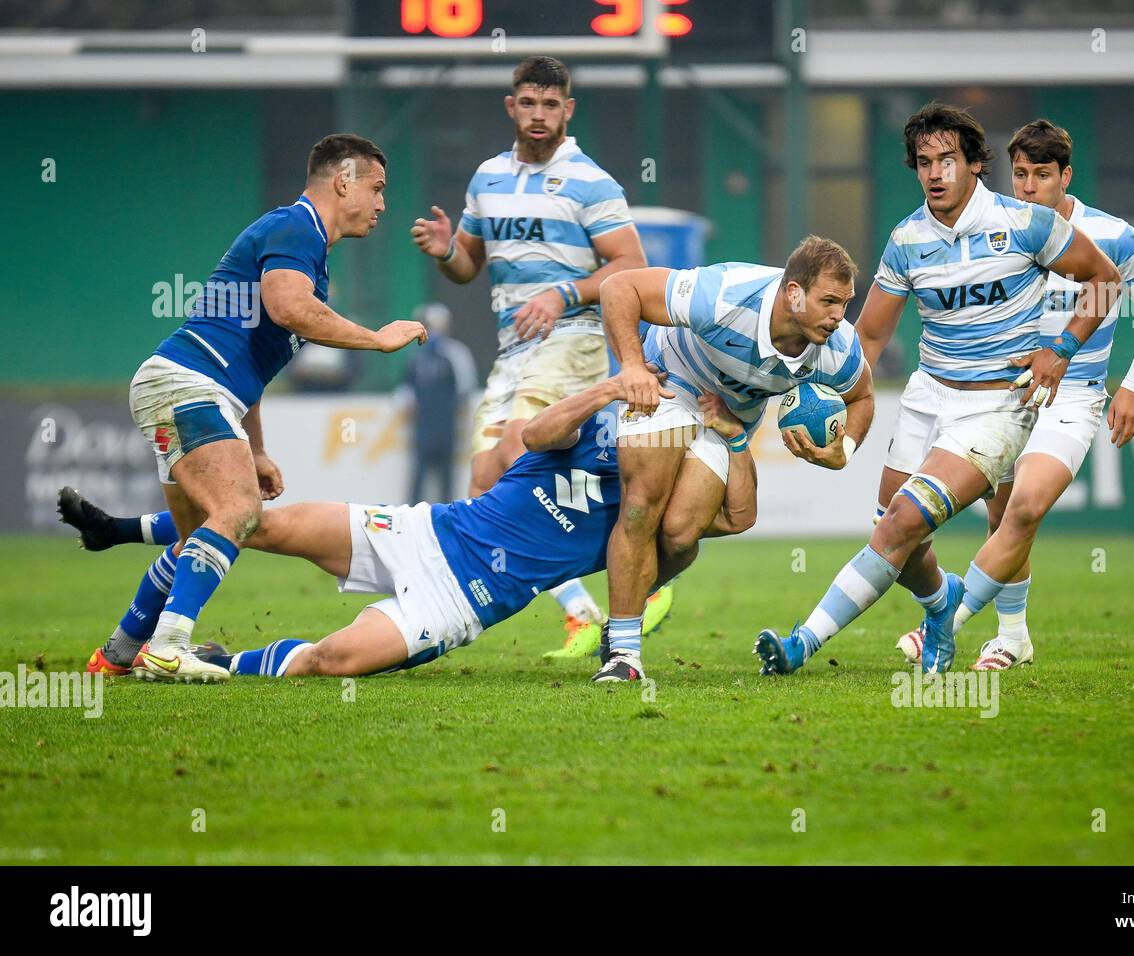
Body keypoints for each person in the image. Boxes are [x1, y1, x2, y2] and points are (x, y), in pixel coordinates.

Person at [57, 376, 756, 680]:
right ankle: (126, 626)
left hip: (457, 604)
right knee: (252, 524)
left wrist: (738, 434)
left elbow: (732, 518)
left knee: (331, 662)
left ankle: (211, 659)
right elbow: (530, 431)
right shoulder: (594, 422)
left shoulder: (662, 506)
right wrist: (610, 386)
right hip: (420, 531)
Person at [755, 102, 1122, 677]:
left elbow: (1106, 279)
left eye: (947, 159)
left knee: (903, 521)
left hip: (998, 406)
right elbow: (869, 336)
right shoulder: (906, 240)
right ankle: (941, 602)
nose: (934, 173)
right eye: (924, 162)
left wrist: (1062, 350)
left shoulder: (1027, 224)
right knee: (894, 538)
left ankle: (803, 642)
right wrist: (827, 392)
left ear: (975, 164)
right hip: (927, 398)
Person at [82, 133, 427, 683]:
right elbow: (289, 308)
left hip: (188, 385)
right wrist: (375, 339)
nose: (383, 203)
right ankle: (170, 645)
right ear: (343, 181)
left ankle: (118, 654)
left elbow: (253, 366)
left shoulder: (300, 244)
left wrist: (258, 448)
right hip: (188, 384)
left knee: (197, 531)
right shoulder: (296, 228)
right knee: (239, 514)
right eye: (378, 188)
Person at [893, 118, 1134, 670]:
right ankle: (1014, 636)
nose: (1027, 187)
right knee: (1002, 521)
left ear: (1065, 176)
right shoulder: (1005, 228)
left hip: (1072, 398)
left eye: (1041, 175)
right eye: (1020, 174)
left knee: (1025, 506)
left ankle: (944, 625)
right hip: (1009, 396)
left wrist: (1133, 386)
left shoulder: (1111, 236)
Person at [410, 55, 648, 651]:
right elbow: (468, 267)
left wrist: (561, 292)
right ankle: (591, 597)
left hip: (575, 340)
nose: (539, 115)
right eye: (528, 102)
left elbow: (632, 268)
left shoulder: (592, 182)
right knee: (482, 485)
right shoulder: (487, 177)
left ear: (568, 110)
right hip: (514, 351)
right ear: (511, 106)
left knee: (521, 446)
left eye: (551, 104)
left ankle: (598, 601)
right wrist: (446, 251)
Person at [597, 236, 875, 682]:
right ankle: (624, 656)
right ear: (793, 293)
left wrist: (846, 450)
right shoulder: (726, 293)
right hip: (670, 380)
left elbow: (861, 396)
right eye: (828, 302)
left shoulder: (838, 346)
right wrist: (630, 365)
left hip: (726, 419)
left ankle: (621, 612)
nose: (838, 316)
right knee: (640, 503)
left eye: (845, 303)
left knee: (680, 532)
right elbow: (619, 287)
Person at [400, 303, 477, 503]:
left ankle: (447, 514)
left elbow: (465, 389)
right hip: (422, 425)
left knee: (446, 476)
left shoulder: (455, 353)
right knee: (419, 474)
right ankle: (411, 516)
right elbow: (405, 389)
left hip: (446, 424)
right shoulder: (416, 356)